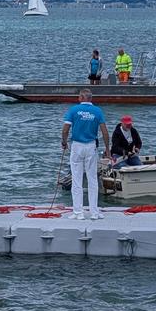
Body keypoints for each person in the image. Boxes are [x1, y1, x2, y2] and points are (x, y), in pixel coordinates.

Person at [60, 89, 110, 221]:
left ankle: (78, 212)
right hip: (91, 146)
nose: (78, 98)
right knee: (92, 179)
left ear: (82, 97)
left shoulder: (74, 110)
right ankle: (94, 212)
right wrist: (108, 150)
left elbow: (65, 129)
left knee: (76, 179)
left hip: (77, 145)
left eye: (79, 96)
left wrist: (64, 142)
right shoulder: (97, 111)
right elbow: (105, 132)